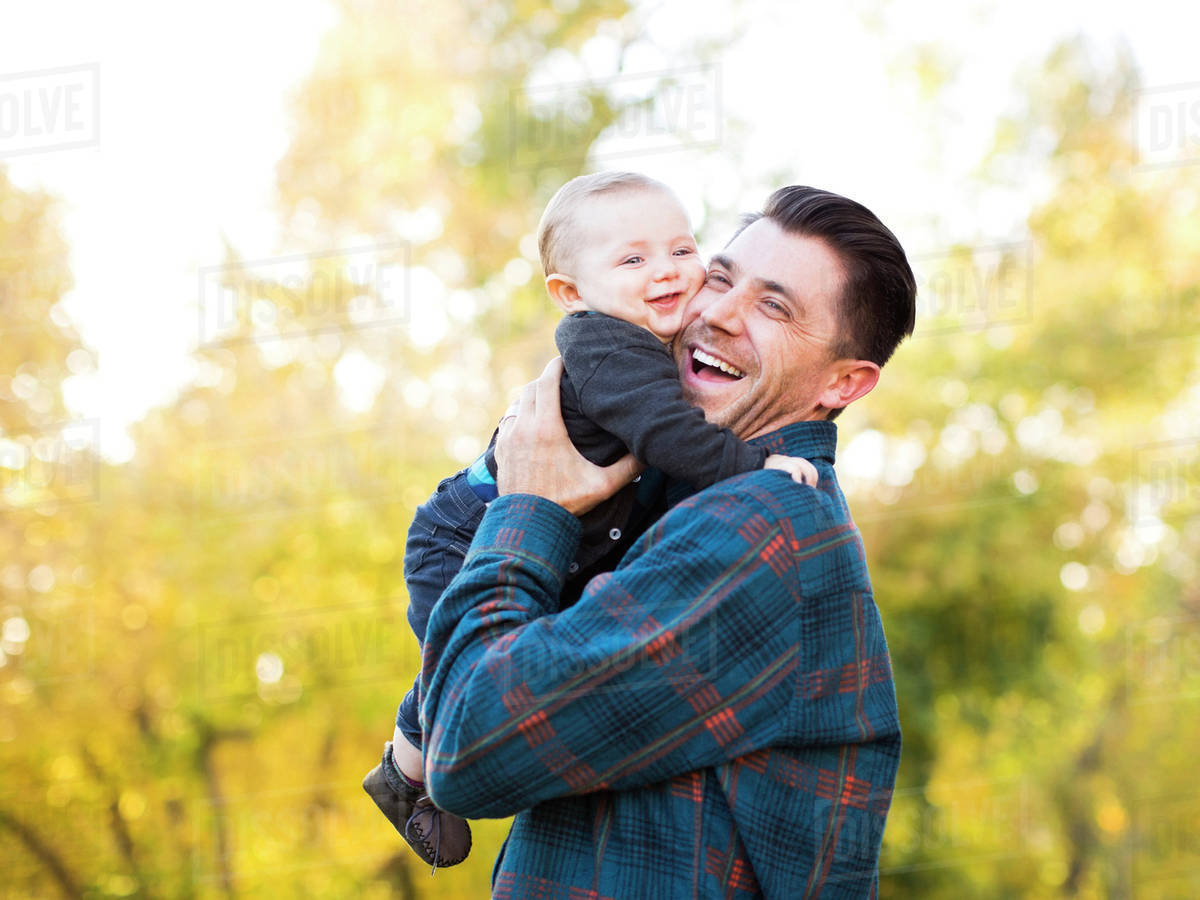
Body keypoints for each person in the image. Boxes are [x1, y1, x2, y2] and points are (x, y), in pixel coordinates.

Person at [418, 185, 917, 897]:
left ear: (844, 383)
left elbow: (470, 746)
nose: (716, 312)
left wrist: (528, 507)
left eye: (773, 306)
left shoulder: (760, 528)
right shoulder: (680, 499)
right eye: (719, 277)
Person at [362, 172, 818, 869]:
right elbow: (666, 432)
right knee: (467, 669)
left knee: (512, 651)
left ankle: (410, 769)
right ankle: (405, 774)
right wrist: (755, 470)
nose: (665, 270)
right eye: (632, 260)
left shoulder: (655, 341)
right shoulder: (607, 346)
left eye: (682, 249)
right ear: (572, 293)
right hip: (465, 532)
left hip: (554, 534)